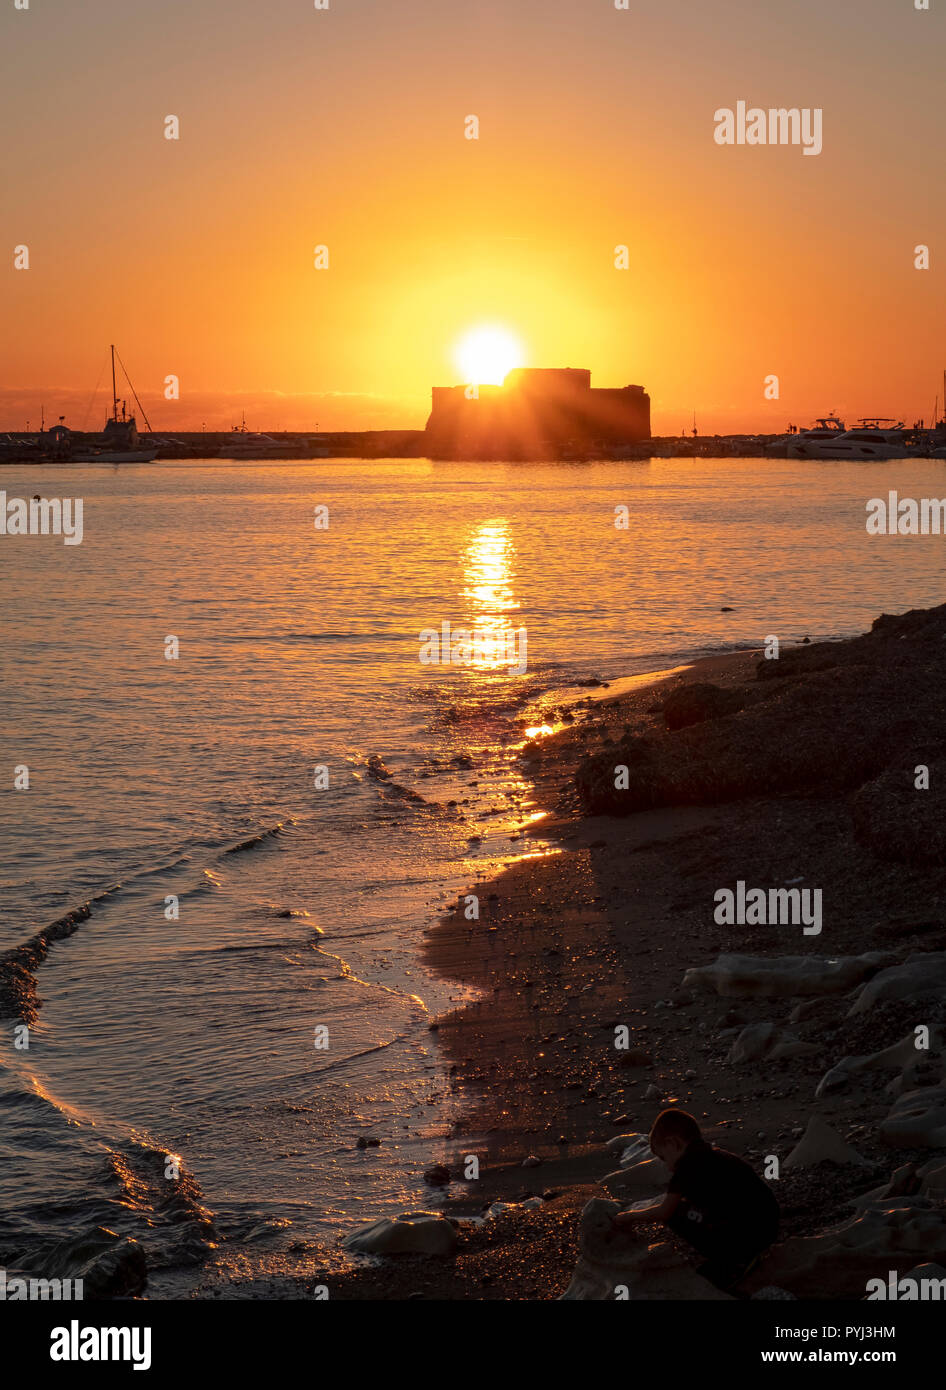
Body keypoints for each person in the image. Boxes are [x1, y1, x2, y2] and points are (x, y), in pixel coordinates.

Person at [612, 1107, 779, 1292]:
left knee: (677, 1213)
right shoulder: (718, 1156)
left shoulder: (687, 1166)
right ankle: (736, 1254)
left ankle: (732, 1262)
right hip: (768, 1227)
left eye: (663, 1157)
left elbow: (664, 1211)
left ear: (673, 1143)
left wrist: (628, 1217)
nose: (668, 1167)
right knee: (689, 1207)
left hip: (747, 1235)